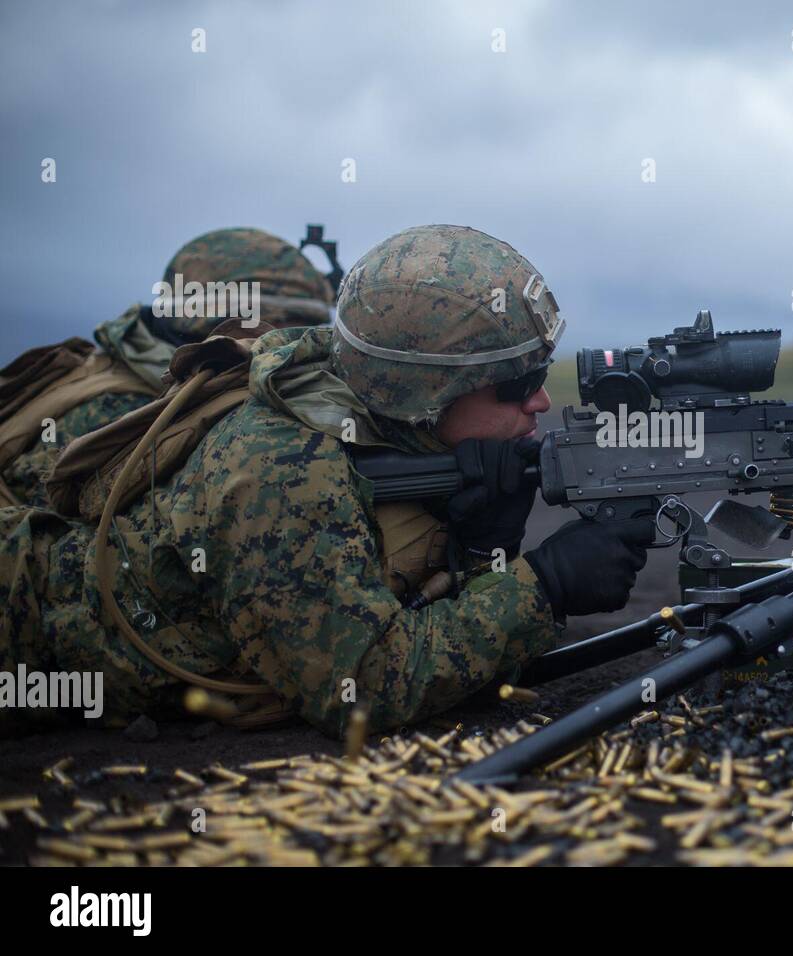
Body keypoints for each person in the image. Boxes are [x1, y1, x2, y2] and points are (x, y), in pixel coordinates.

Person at [0, 224, 652, 737]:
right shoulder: (282, 469)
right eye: (517, 384)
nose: (540, 403)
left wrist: (487, 548)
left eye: (543, 375)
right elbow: (365, 690)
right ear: (426, 391)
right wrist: (545, 586)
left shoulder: (382, 422)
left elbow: (450, 655)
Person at [0, 228, 335, 507]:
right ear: (237, 321)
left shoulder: (119, 370)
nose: (292, 349)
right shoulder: (128, 415)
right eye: (294, 329)